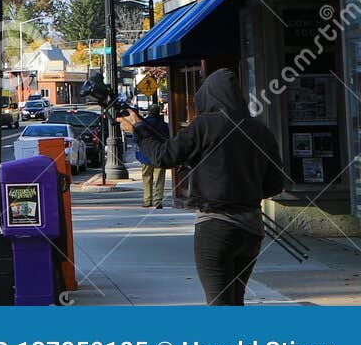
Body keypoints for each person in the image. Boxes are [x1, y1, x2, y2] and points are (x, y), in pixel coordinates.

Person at [123, 69, 288, 306]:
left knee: (219, 302)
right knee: (235, 301)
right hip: (251, 228)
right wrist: (244, 191)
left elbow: (163, 156)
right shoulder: (260, 130)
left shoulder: (204, 126)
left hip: (215, 226)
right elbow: (275, 184)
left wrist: (138, 130)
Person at [135, 103, 170, 209]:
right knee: (159, 178)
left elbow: (136, 139)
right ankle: (158, 200)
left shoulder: (142, 124)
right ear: (158, 112)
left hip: (145, 155)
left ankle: (147, 200)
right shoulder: (164, 125)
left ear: (149, 112)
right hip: (159, 155)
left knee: (147, 178)